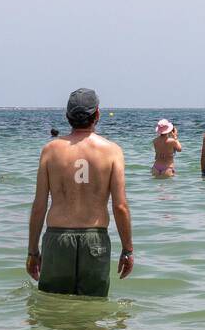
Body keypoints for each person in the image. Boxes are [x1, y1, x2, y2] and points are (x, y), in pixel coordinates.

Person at [27, 88, 133, 297]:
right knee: (93, 311)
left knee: (53, 309)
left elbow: (39, 205)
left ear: (67, 117)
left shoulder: (50, 150)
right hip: (95, 240)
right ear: (98, 114)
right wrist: (127, 250)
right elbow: (120, 206)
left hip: (58, 238)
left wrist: (32, 251)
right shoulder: (112, 151)